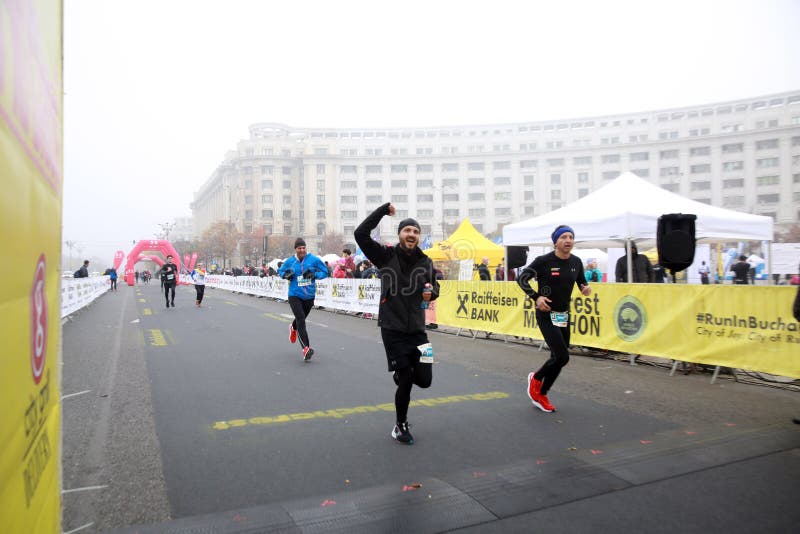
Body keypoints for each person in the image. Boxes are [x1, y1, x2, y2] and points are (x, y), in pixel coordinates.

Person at [355, 202, 439, 445]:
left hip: (418, 331)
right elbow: (360, 234)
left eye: (415, 231)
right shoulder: (385, 256)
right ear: (400, 234)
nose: (411, 234)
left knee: (424, 380)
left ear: (418, 237)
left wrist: (431, 293)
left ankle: (401, 371)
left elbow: (435, 288)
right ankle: (400, 425)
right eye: (407, 230)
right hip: (392, 328)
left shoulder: (426, 262)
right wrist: (382, 211)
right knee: (405, 377)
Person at [517, 225, 591, 413]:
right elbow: (522, 279)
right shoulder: (543, 261)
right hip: (546, 314)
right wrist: (536, 297)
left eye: (571, 237)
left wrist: (585, 287)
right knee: (562, 356)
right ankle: (536, 379)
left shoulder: (576, 261)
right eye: (564, 237)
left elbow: (581, 281)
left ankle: (541, 392)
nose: (568, 240)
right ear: (555, 242)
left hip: (563, 315)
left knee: (559, 357)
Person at [278, 238, 328, 361]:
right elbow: (281, 271)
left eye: (303, 248)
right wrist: (285, 275)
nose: (302, 250)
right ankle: (306, 348)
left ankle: (292, 327)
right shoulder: (290, 261)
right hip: (294, 295)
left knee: (301, 319)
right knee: (301, 320)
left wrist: (314, 275)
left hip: (309, 296)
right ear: (295, 249)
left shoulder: (313, 259)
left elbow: (325, 272)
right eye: (299, 248)